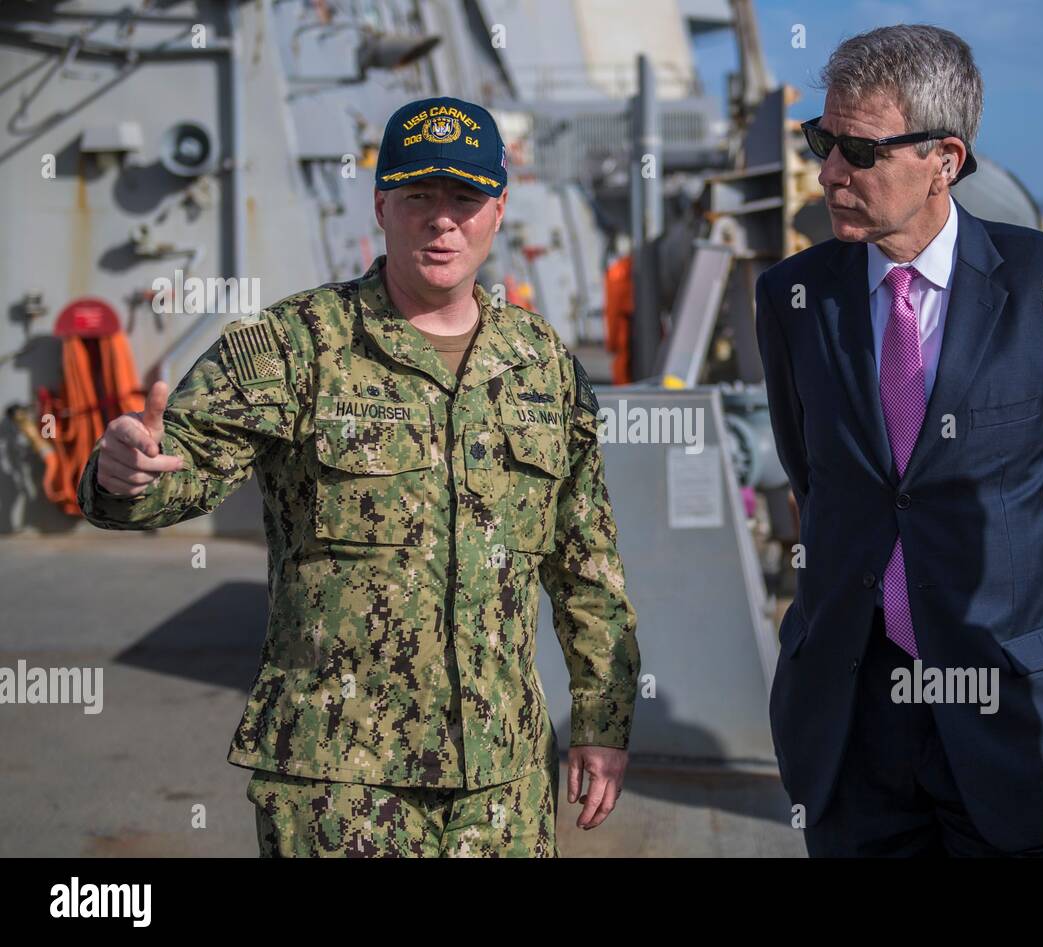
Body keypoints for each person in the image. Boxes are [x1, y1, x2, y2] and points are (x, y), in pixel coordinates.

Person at [77, 96, 640, 858]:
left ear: (499, 210)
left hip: (501, 783)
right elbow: (180, 469)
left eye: (465, 197)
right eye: (418, 196)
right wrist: (125, 474)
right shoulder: (296, 345)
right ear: (381, 205)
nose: (443, 220)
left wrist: (603, 722)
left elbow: (585, 562)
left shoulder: (544, 365)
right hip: (339, 786)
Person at [756, 26, 1043, 856]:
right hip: (854, 725)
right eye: (823, 141)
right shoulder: (791, 298)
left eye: (859, 149)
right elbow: (814, 482)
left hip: (1015, 726)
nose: (828, 171)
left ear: (946, 159)